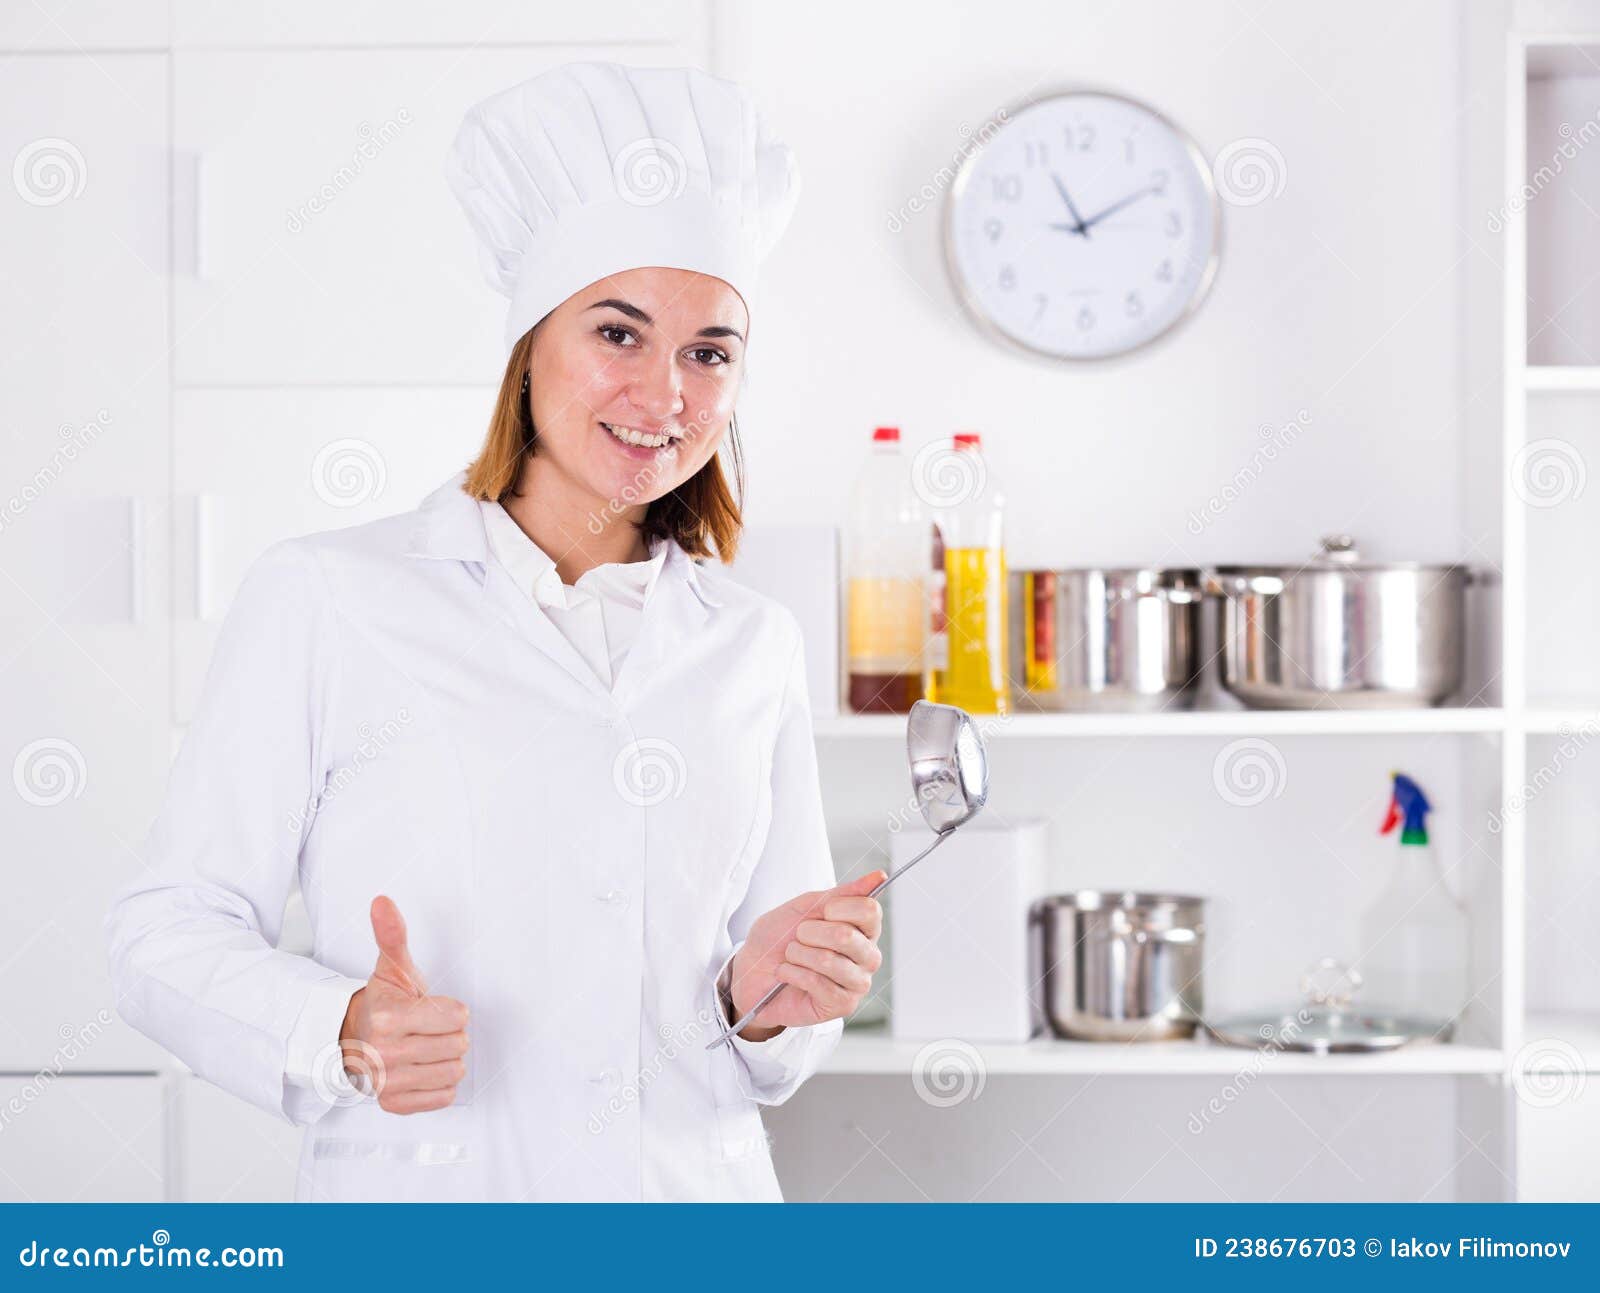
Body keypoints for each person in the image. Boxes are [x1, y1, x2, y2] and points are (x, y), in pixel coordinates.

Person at [106, 61, 883, 1203]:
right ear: (531, 351)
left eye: (710, 352)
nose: (667, 394)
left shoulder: (748, 644)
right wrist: (340, 1027)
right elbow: (161, 933)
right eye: (618, 334)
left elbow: (773, 1046)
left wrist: (760, 999)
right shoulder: (330, 597)